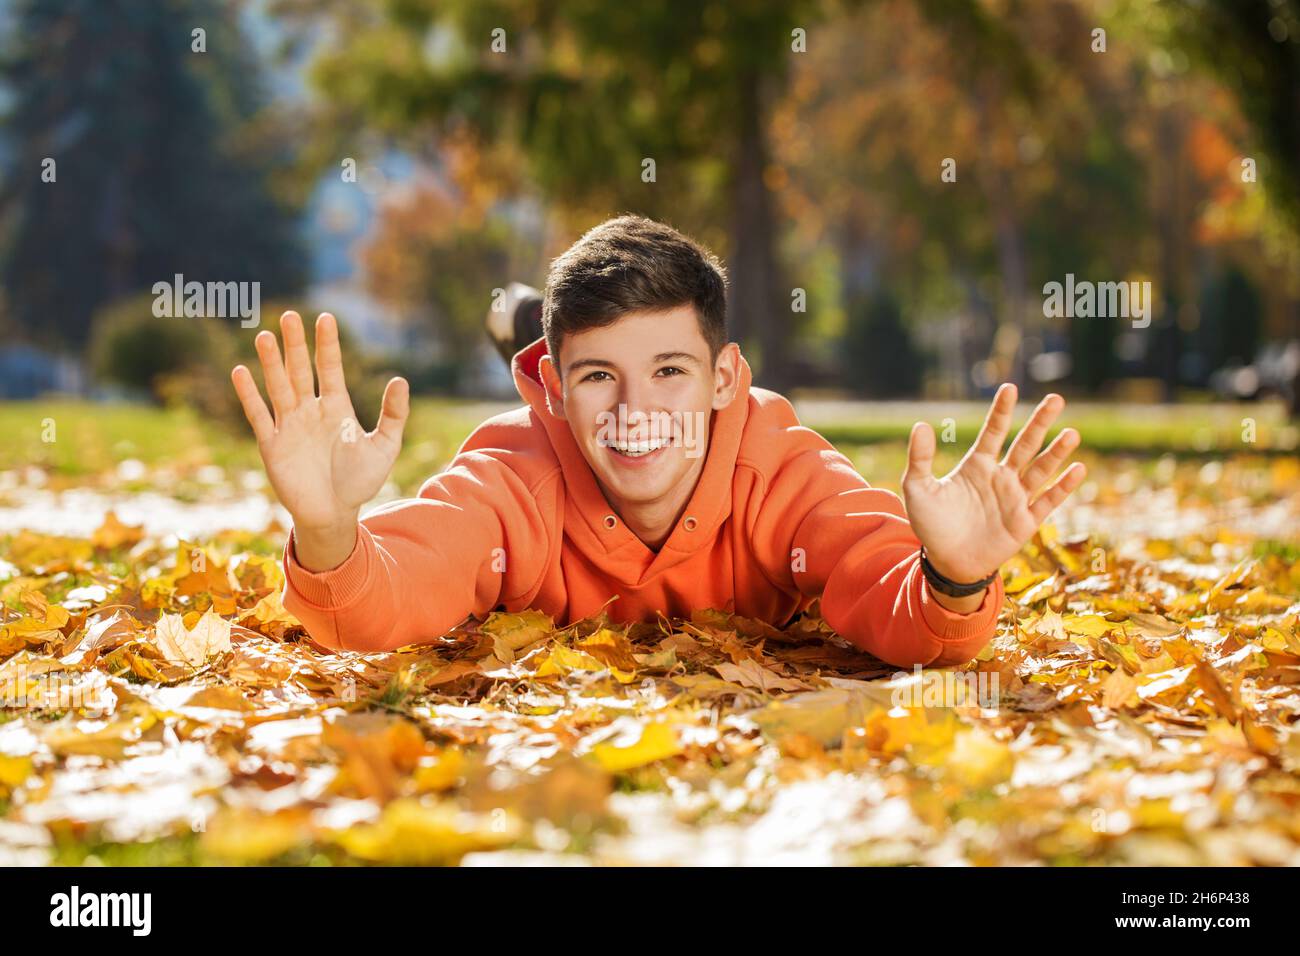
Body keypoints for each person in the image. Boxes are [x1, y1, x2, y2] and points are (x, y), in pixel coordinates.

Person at [230, 214, 1085, 664]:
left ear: (726, 379)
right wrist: (331, 529)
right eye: (597, 376)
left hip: (625, 395)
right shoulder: (511, 468)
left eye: (673, 370)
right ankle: (535, 332)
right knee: (584, 384)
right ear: (555, 390)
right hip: (548, 422)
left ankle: (538, 328)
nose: (637, 408)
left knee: (615, 373)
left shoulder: (778, 464)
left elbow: (898, 605)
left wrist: (954, 576)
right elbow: (385, 603)